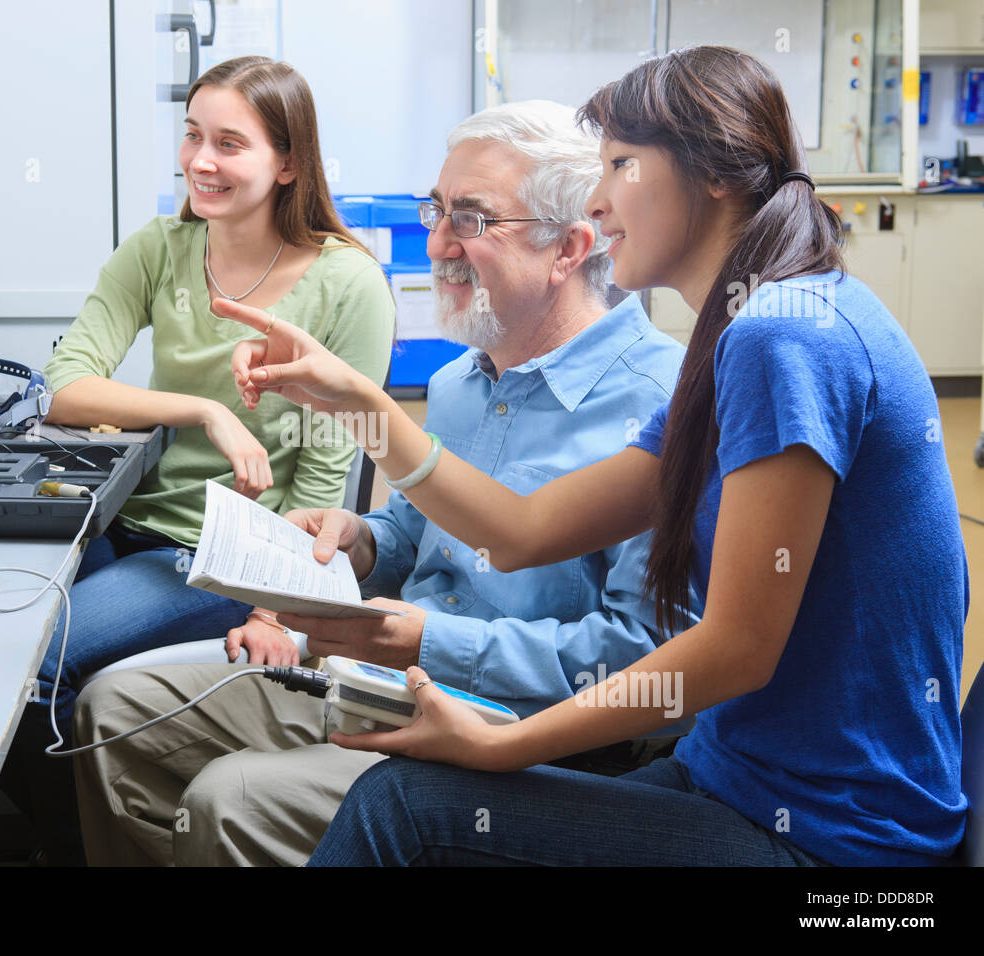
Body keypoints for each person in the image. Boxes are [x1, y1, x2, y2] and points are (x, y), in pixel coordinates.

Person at [221, 47, 968, 867]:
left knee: (402, 807)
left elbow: (735, 648)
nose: (601, 197)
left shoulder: (781, 335)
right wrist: (358, 402)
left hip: (833, 839)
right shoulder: (740, 335)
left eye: (621, 164)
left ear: (713, 175)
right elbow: (522, 530)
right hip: (731, 778)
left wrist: (505, 746)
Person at [70, 100, 697, 866]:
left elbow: (645, 658)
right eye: (435, 210)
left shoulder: (662, 405)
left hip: (523, 729)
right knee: (112, 713)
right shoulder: (465, 378)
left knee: (228, 799)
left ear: (567, 248)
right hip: (383, 679)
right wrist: (358, 541)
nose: (436, 245)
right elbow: (411, 532)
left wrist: (430, 640)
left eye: (470, 219)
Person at [0, 56, 395, 865]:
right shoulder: (161, 249)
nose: (201, 161)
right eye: (191, 137)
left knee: (33, 667)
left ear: (288, 163)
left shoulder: (349, 285)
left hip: (221, 558)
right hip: (121, 525)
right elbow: (66, 386)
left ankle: (78, 852)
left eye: (230, 144)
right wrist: (204, 409)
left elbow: (325, 482)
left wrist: (274, 612)